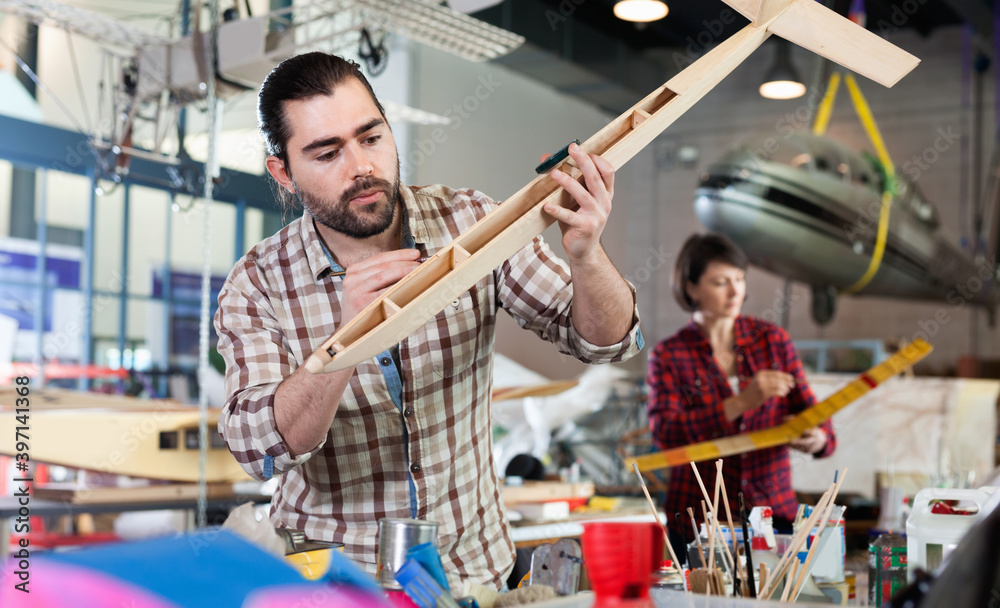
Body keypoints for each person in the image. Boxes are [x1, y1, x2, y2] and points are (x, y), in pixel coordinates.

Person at [213, 52, 643, 591]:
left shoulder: (471, 223)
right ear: (283, 171)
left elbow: (606, 344)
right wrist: (346, 338)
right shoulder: (256, 284)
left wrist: (586, 255)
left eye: (371, 138)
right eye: (327, 153)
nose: (361, 167)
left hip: (472, 574)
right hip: (334, 584)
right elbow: (259, 449)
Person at [645, 233, 835, 557]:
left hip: (773, 518)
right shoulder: (669, 355)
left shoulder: (773, 341)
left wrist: (817, 438)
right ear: (691, 288)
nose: (736, 291)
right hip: (699, 522)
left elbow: (821, 424)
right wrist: (741, 402)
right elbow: (666, 436)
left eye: (740, 279)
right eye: (721, 282)